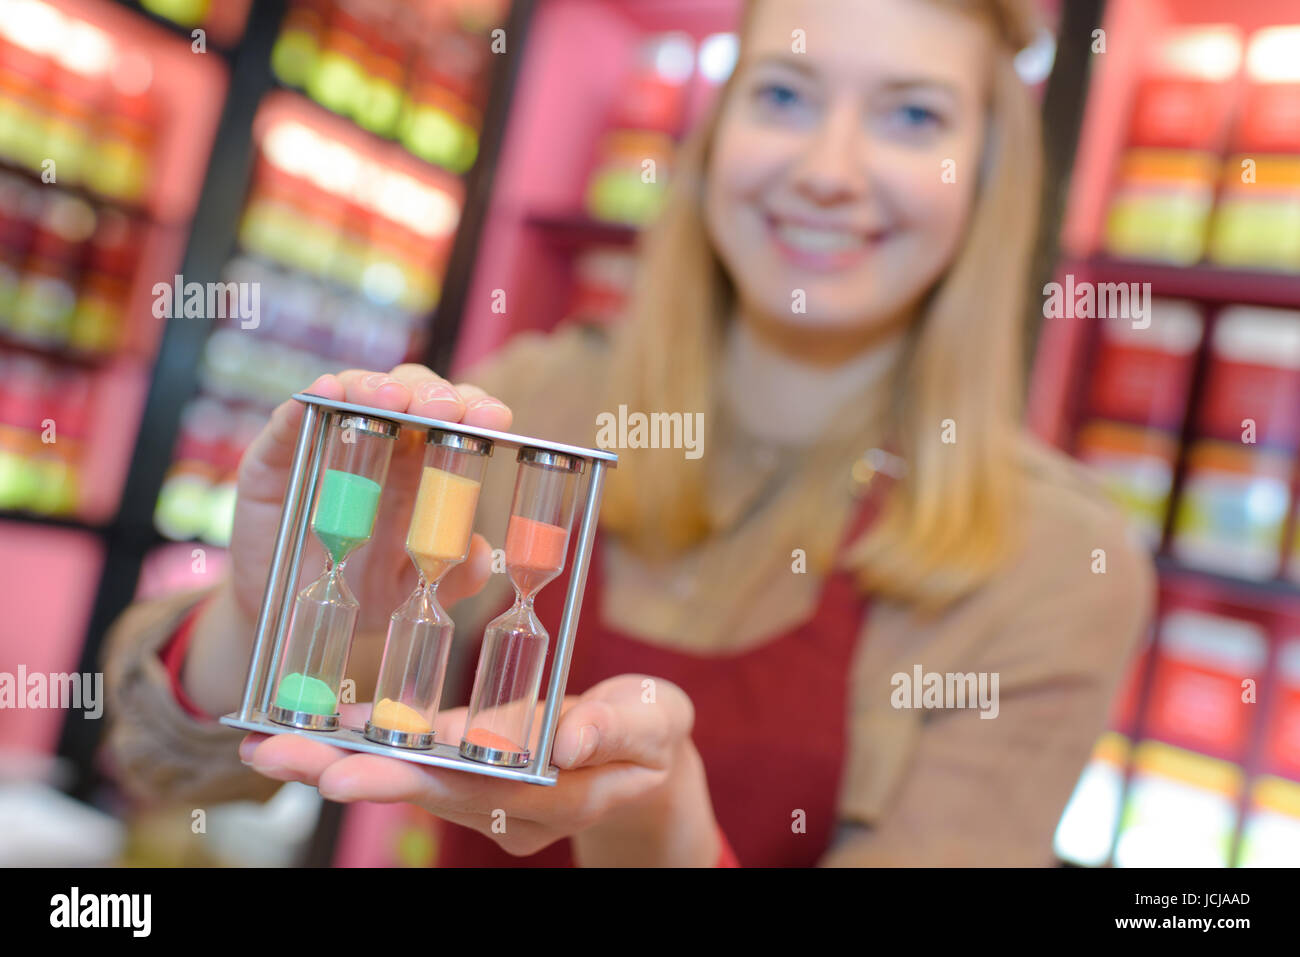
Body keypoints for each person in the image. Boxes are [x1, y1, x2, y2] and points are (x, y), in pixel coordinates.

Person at [101, 0, 1155, 866]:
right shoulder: (536, 404)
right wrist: (264, 614)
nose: (828, 169)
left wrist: (662, 839)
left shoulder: (1057, 561)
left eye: (913, 118)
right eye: (783, 95)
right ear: (710, 140)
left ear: (986, 183)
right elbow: (165, 770)